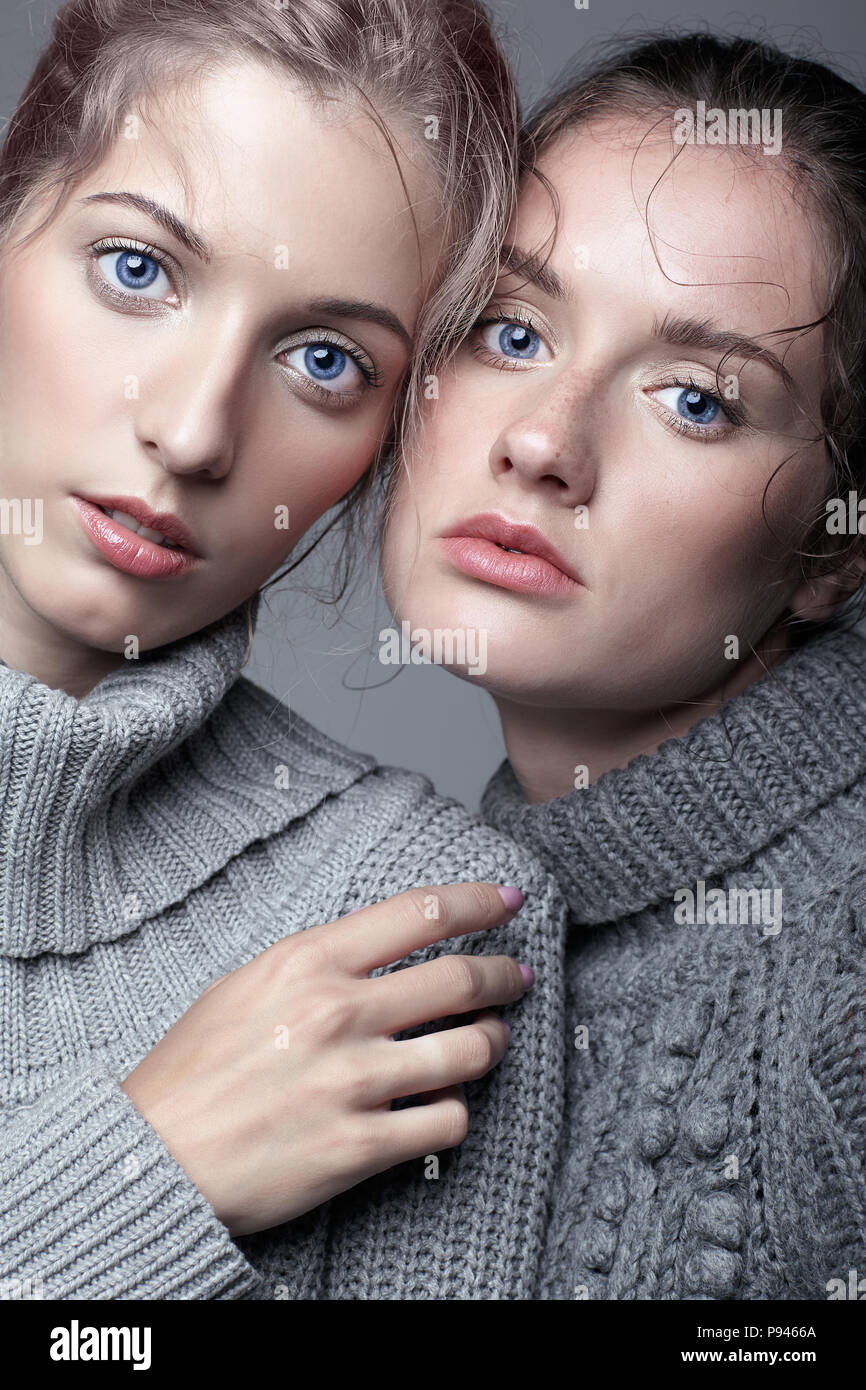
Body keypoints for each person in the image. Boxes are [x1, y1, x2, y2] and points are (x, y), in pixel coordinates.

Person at [0, 0, 568, 1302]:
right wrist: (142, 1176)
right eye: (139, 271)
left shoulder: (412, 931)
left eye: (323, 360)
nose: (196, 432)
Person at [381, 31, 866, 1299]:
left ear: (829, 548)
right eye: (510, 329)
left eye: (695, 398)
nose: (543, 441)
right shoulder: (382, 913)